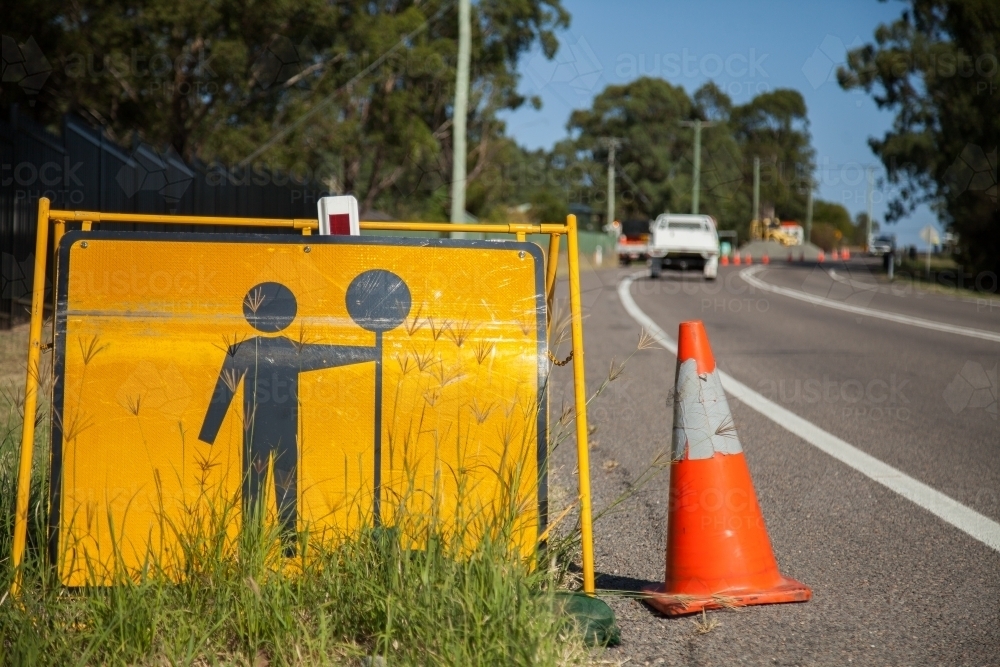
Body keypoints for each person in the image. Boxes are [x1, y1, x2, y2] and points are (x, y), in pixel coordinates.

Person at [198, 281, 377, 555]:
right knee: (283, 486)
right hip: (277, 430)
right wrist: (373, 352)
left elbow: (224, 392)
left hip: (259, 432)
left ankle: (261, 545)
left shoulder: (245, 349)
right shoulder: (288, 350)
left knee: (257, 488)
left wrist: (208, 434)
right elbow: (330, 355)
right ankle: (287, 547)